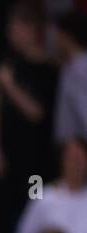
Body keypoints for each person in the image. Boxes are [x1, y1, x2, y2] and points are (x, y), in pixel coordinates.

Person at [0, 1, 59, 233]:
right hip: (8, 153)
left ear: (32, 30)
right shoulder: (5, 61)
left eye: (17, 27)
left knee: (36, 209)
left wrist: (10, 86)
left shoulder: (48, 67)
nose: (11, 33)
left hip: (37, 156)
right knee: (4, 214)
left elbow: (37, 112)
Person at [16, 137, 87, 233]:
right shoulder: (44, 195)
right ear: (62, 161)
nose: (76, 164)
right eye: (72, 158)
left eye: (80, 159)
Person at [54, 10, 87, 144]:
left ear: (67, 36)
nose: (55, 39)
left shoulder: (79, 71)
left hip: (78, 151)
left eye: (58, 34)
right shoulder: (70, 67)